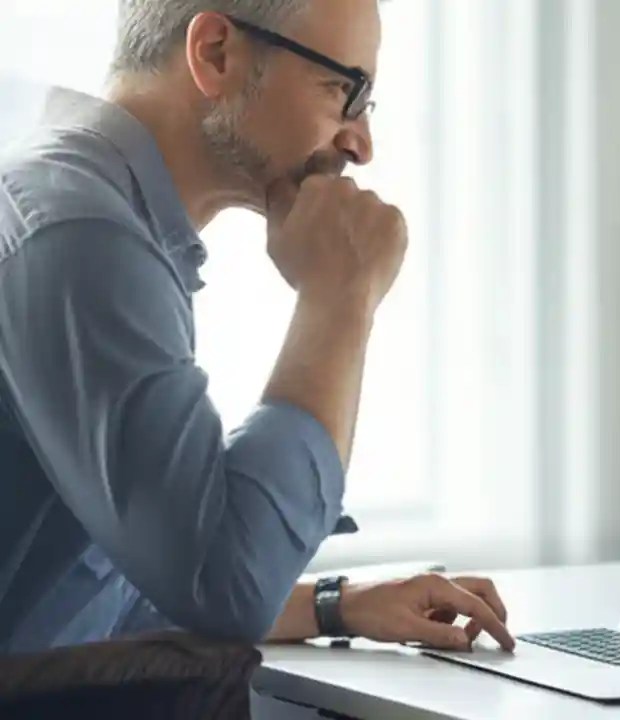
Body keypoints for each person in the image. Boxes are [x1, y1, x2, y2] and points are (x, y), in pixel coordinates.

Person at [0, 0, 515, 655]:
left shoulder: (82, 211)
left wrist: (335, 605)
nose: (361, 143)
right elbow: (226, 586)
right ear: (215, 52)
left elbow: (112, 584)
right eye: (342, 89)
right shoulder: (80, 236)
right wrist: (339, 298)